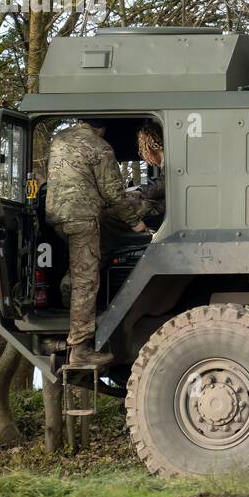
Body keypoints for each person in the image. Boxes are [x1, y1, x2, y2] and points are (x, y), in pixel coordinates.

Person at [45, 118, 146, 367]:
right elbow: (113, 193)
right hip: (82, 218)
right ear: (104, 126)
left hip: (56, 216)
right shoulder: (100, 147)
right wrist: (136, 223)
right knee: (86, 280)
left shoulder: (59, 140)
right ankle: (80, 349)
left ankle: (68, 285)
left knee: (82, 264)